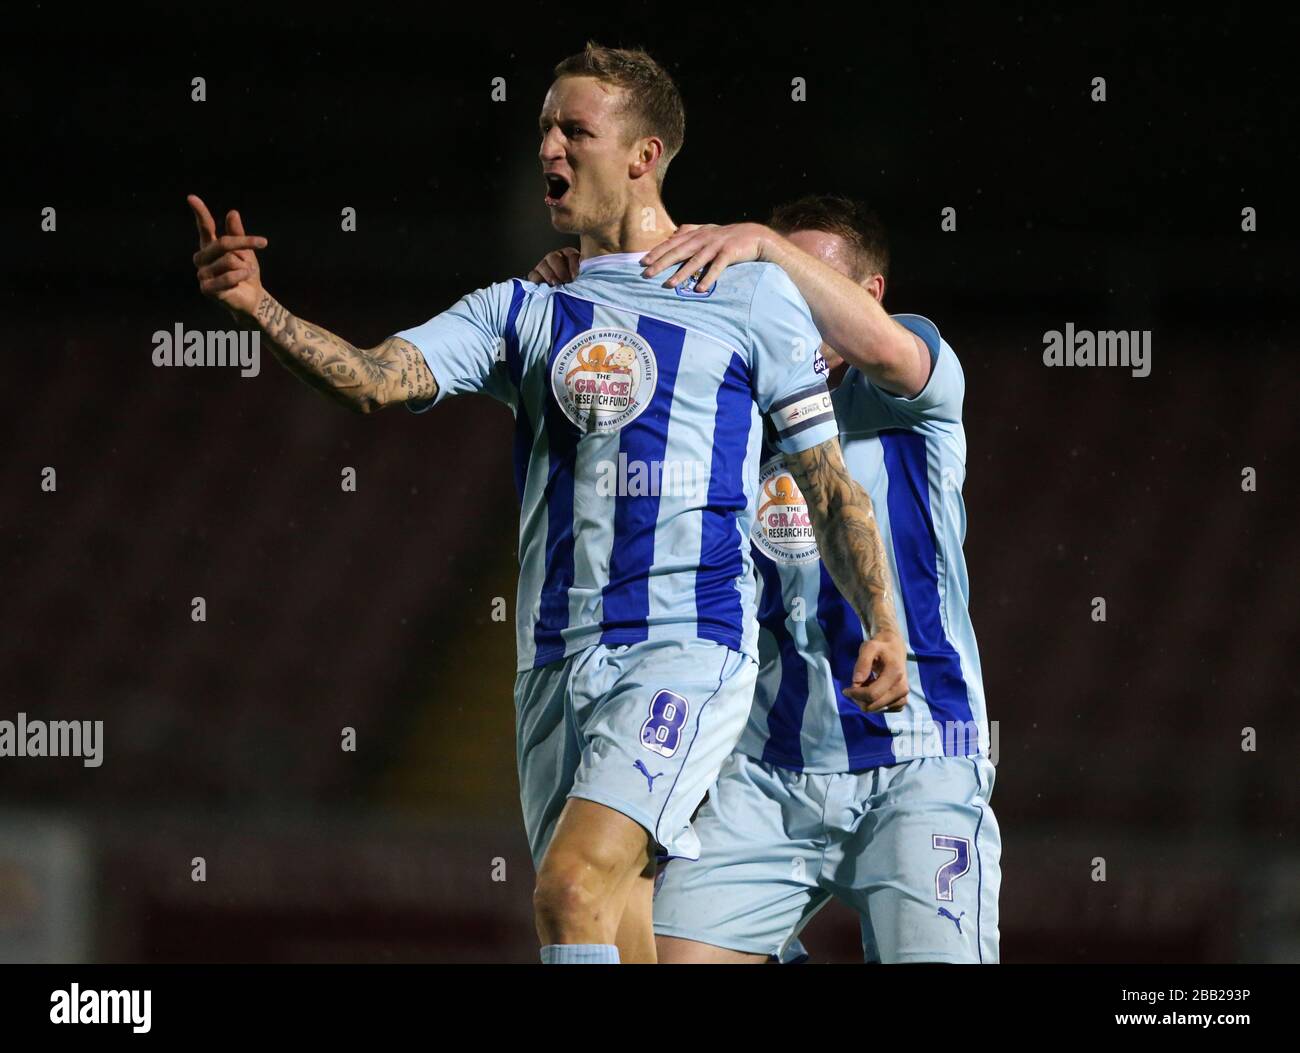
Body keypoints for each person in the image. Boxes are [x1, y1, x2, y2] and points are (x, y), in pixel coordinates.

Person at [188, 49, 907, 965]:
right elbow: (375, 380)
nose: (549, 147)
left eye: (574, 129)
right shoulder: (524, 308)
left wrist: (880, 616)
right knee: (621, 922)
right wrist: (261, 306)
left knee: (568, 890)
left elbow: (828, 480)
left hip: (684, 646)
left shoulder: (749, 292)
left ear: (645, 155)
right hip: (552, 662)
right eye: (543, 129)